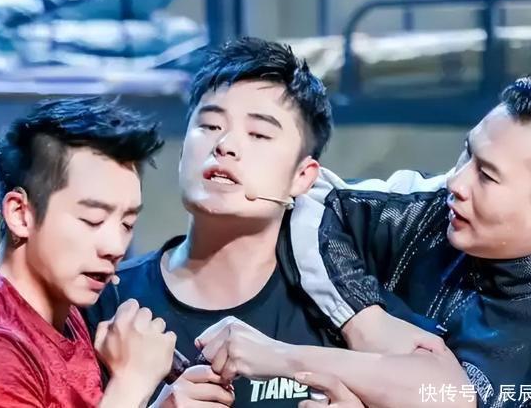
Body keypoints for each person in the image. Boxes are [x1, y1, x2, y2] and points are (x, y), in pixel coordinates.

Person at [195, 77, 531, 407]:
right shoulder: (430, 207)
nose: (456, 182)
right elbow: (312, 196)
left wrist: (282, 358)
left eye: (487, 176)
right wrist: (362, 318)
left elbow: (451, 398)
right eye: (467, 154)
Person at [83, 37, 368, 407]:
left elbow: (441, 389)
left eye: (258, 134)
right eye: (210, 125)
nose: (225, 145)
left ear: (302, 177)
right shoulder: (106, 300)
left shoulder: (338, 302)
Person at [0, 97, 176, 407]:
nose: (115, 247)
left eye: (127, 223)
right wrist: (131, 382)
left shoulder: (57, 303)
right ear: (20, 214)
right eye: (92, 220)